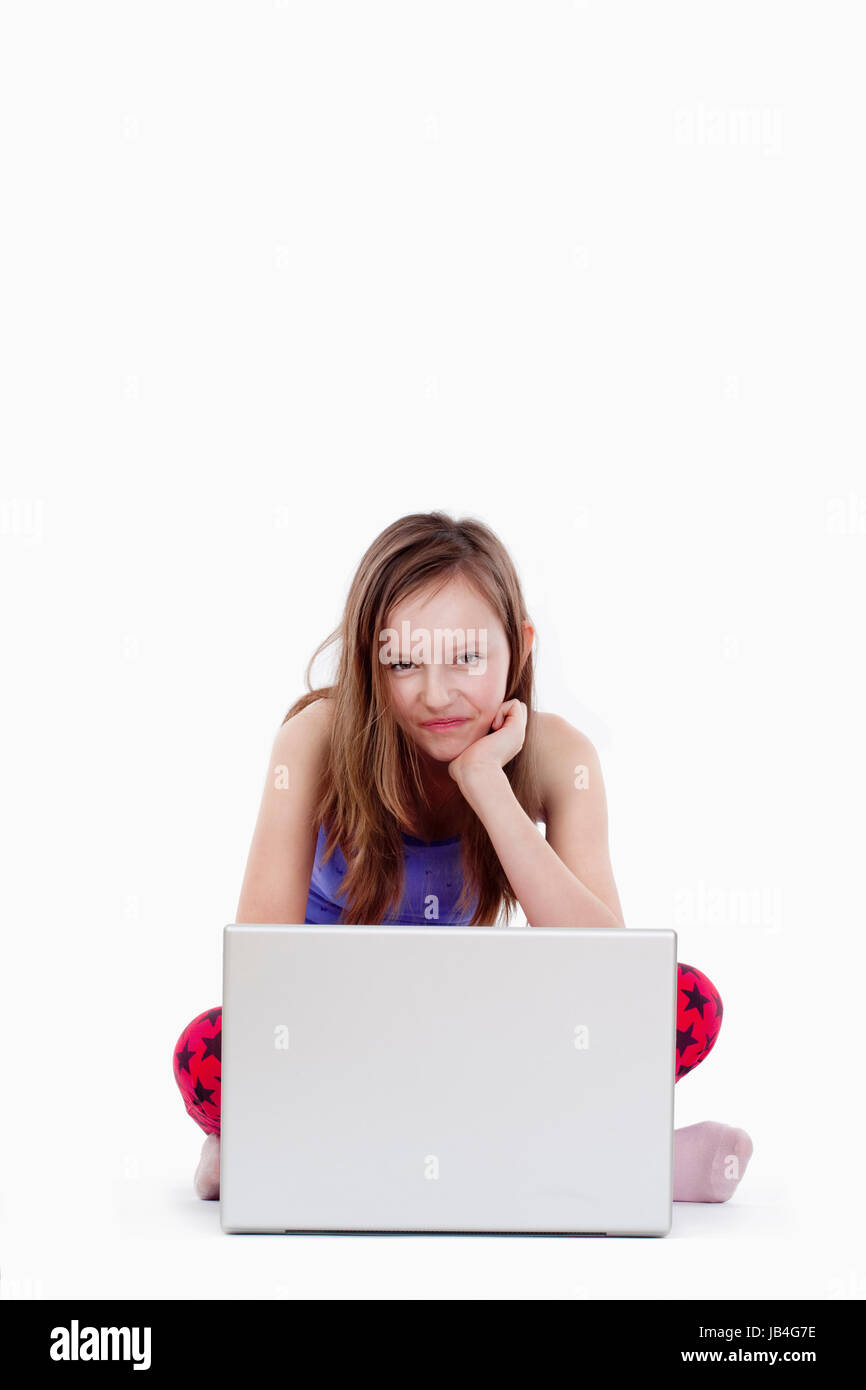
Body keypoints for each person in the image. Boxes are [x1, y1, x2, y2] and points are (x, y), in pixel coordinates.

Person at [173, 511, 753, 1203]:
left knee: (681, 1001)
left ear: (520, 646)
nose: (437, 694)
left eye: (467, 658)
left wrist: (488, 787)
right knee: (209, 1049)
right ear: (368, 657)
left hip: (478, 1046)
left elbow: (609, 978)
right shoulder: (315, 742)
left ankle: (303, 1155)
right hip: (341, 1046)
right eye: (404, 662)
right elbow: (260, 975)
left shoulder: (560, 757)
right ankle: (589, 1157)